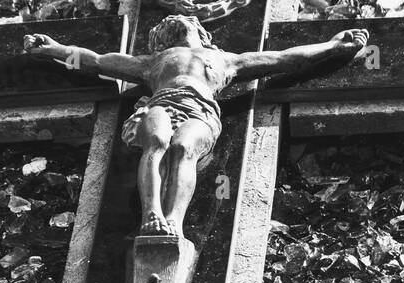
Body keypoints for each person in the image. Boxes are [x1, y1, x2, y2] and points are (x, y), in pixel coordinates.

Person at [24, 15, 369, 240]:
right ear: (160, 41)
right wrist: (52, 49)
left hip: (200, 111)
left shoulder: (226, 60)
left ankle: (173, 219)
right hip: (161, 104)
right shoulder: (151, 63)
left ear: (202, 33)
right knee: (157, 140)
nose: (181, 24)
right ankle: (152, 216)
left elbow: (287, 58)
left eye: (187, 22)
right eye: (172, 25)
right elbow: (95, 61)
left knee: (182, 148)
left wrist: (334, 45)